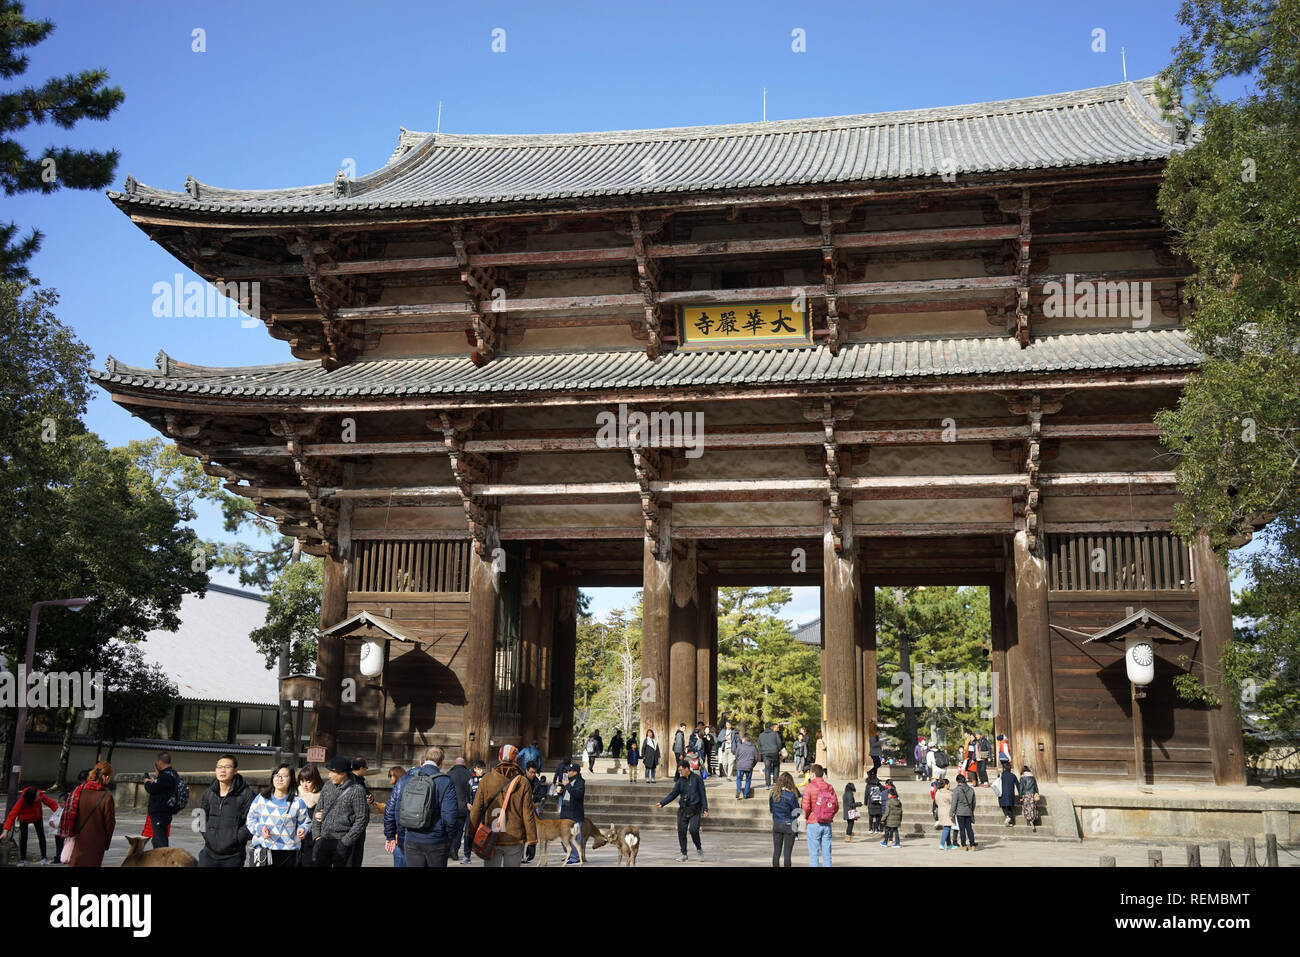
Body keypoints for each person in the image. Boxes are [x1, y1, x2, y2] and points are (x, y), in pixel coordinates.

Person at [385, 746, 459, 867]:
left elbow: (396, 809)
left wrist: (401, 833)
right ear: (441, 762)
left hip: (411, 838)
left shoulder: (406, 779)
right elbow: (449, 816)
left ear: (424, 759)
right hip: (436, 839)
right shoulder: (445, 781)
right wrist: (450, 838)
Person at [467, 744, 538, 867]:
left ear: (500, 758)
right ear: (515, 759)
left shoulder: (486, 779)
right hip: (514, 838)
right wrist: (532, 840)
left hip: (491, 836)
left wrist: (470, 834)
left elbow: (476, 810)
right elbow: (528, 814)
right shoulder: (523, 782)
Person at [246, 763, 310, 867]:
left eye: (284, 776)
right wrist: (260, 829)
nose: (279, 778)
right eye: (276, 775)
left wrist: (303, 829)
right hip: (264, 850)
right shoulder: (261, 798)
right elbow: (250, 820)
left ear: (291, 779)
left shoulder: (298, 802)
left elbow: (306, 822)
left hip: (289, 853)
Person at [199, 754, 255, 867]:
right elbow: (200, 817)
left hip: (233, 855)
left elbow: (252, 822)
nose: (222, 770)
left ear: (235, 770)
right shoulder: (209, 793)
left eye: (227, 767)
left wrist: (235, 839)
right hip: (208, 853)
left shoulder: (246, 794)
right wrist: (208, 835)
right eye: (219, 767)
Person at [312, 755, 368, 868]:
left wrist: (346, 841)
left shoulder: (357, 790)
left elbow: (362, 819)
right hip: (324, 839)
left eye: (332, 772)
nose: (329, 775)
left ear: (343, 773)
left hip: (343, 841)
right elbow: (318, 810)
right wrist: (317, 836)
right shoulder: (328, 786)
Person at [61, 762, 116, 867]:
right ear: (106, 777)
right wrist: (105, 843)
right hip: (96, 843)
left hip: (77, 841)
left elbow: (68, 816)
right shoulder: (106, 797)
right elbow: (110, 824)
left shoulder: (77, 792)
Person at [654, 759, 709, 862]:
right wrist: (662, 803)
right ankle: (684, 854)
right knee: (681, 831)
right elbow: (673, 794)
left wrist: (705, 809)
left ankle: (699, 848)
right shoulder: (680, 781)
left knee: (693, 830)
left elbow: (702, 795)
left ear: (687, 768)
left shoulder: (697, 779)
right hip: (683, 810)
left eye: (681, 770)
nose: (680, 772)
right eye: (678, 771)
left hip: (695, 809)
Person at [3, 785, 58, 865]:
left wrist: (60, 814)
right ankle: (23, 860)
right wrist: (5, 830)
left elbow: (52, 804)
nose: (39, 796)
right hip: (24, 818)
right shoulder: (22, 801)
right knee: (24, 838)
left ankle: (44, 858)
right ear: (31, 798)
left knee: (41, 836)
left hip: (37, 817)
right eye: (37, 796)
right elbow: (12, 815)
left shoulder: (40, 795)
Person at [141, 751, 181, 848]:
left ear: (160, 762)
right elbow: (162, 788)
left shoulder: (165, 776)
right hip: (166, 811)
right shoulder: (173, 774)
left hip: (160, 813)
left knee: (159, 841)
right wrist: (154, 781)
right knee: (160, 838)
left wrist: (147, 782)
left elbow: (152, 789)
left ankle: (161, 861)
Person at [801, 764, 838, 867]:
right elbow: (836, 805)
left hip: (813, 822)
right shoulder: (830, 787)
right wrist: (829, 815)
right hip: (826, 823)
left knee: (814, 855)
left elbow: (805, 807)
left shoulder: (809, 787)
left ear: (812, 774)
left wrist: (808, 817)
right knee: (827, 855)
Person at [769, 771, 801, 867]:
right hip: (789, 824)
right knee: (787, 854)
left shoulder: (773, 794)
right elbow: (797, 811)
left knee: (776, 852)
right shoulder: (791, 795)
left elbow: (771, 809)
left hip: (777, 823)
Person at [558, 762, 587, 865]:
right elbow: (565, 794)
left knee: (574, 837)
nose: (568, 772)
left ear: (575, 772)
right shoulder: (568, 781)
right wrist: (560, 790)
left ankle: (575, 857)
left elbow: (578, 794)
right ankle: (569, 854)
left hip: (574, 814)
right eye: (567, 770)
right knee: (563, 836)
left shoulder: (580, 782)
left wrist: (568, 786)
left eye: (570, 770)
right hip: (566, 813)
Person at [445, 756, 472, 862]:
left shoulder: (449, 774)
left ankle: (449, 850)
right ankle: (454, 850)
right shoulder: (469, 775)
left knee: (449, 828)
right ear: (464, 764)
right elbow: (471, 791)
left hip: (450, 806)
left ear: (454, 764)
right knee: (459, 830)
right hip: (463, 806)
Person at [296, 764, 323, 866]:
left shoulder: (322, 797)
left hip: (313, 839)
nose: (305, 785)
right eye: (302, 781)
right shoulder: (294, 795)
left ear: (315, 781)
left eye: (308, 781)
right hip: (295, 838)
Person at [348, 757, 373, 867]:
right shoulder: (351, 781)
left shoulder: (360, 780)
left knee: (357, 854)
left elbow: (366, 795)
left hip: (359, 822)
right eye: (366, 768)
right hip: (353, 822)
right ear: (361, 768)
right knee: (353, 854)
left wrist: (370, 798)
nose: (366, 770)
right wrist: (364, 801)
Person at [461, 760, 487, 864]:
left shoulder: (486, 780)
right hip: (471, 811)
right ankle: (467, 855)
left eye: (483, 769)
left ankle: (484, 853)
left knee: (483, 832)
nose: (481, 771)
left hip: (483, 811)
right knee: (468, 832)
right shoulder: (470, 780)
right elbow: (466, 793)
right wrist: (467, 803)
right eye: (479, 769)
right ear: (475, 769)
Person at [383, 766, 408, 866]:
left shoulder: (398, 788)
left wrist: (390, 836)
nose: (389, 778)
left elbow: (390, 813)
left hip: (400, 833)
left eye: (390, 776)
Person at [950, 773, 977, 851]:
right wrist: (971, 810)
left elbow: (954, 803)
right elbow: (974, 802)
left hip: (960, 812)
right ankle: (972, 844)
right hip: (968, 812)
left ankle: (964, 845)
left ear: (958, 782)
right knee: (969, 829)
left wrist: (951, 813)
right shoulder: (971, 789)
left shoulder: (957, 790)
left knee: (962, 829)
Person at [734, 733, 760, 799]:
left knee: (739, 779)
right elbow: (756, 758)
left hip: (740, 765)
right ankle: (745, 794)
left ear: (744, 739)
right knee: (748, 780)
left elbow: (736, 756)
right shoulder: (753, 748)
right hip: (749, 766)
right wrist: (752, 765)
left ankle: (738, 790)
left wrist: (738, 762)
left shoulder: (740, 746)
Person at [757, 722, 783, 789]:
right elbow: (779, 743)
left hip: (765, 753)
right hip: (774, 752)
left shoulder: (761, 735)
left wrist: (762, 751)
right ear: (771, 727)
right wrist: (778, 749)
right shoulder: (775, 734)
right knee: (776, 766)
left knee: (767, 768)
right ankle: (775, 782)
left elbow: (759, 745)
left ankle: (767, 784)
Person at [996, 760, 1020, 826]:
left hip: (1002, 794)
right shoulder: (1013, 776)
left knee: (1004, 806)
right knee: (1009, 807)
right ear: (1010, 768)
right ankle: (1009, 818)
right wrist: (1020, 795)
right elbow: (1018, 786)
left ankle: (1008, 817)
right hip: (1010, 794)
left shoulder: (1000, 775)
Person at [1019, 765, 1040, 831]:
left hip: (1025, 795)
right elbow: (1036, 787)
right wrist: (1037, 793)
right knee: (1032, 807)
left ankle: (1029, 820)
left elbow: (1021, 788)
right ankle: (1033, 820)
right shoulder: (1032, 777)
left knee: (1027, 807)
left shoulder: (1022, 778)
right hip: (1032, 794)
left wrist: (1020, 796)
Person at [935, 778, 954, 849]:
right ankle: (942, 844)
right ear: (945, 785)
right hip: (947, 811)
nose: (949, 785)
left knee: (947, 827)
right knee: (947, 828)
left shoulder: (938, 792)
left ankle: (949, 844)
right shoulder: (949, 793)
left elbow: (936, 802)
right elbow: (952, 802)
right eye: (948, 784)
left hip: (940, 811)